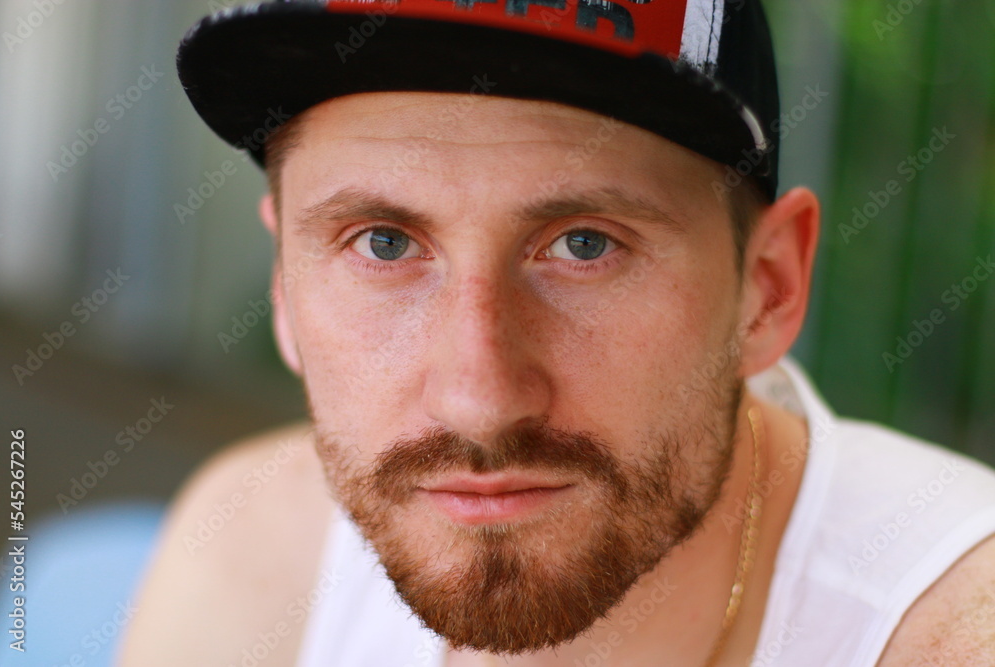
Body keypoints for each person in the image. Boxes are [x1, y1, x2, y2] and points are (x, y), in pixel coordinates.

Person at [119, 1, 995, 665]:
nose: (480, 396)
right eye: (384, 244)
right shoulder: (250, 559)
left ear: (767, 289)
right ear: (284, 285)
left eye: (585, 245)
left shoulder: (956, 628)